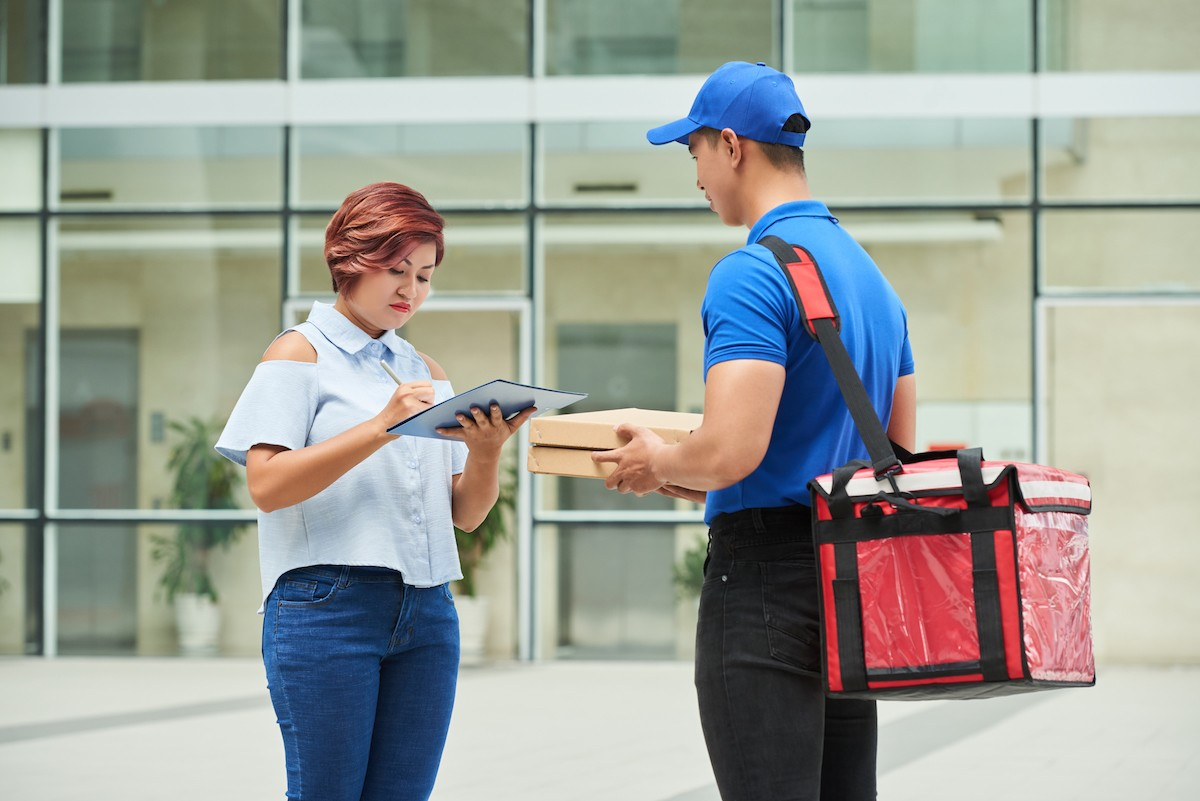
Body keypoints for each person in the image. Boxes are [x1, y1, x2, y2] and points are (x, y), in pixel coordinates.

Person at [592, 62, 916, 800]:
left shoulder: (752, 273)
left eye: (694, 152)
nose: (697, 176)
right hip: (844, 584)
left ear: (731, 145)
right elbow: (894, 453)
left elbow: (734, 449)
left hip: (763, 586)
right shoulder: (873, 281)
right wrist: (688, 469)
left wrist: (656, 459)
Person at [215, 181, 534, 801]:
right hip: (326, 607)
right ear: (349, 259)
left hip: (427, 611)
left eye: (424, 275)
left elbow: (464, 515)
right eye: (395, 270)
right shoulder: (298, 353)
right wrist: (381, 427)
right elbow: (267, 485)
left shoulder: (425, 371)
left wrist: (487, 450)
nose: (409, 291)